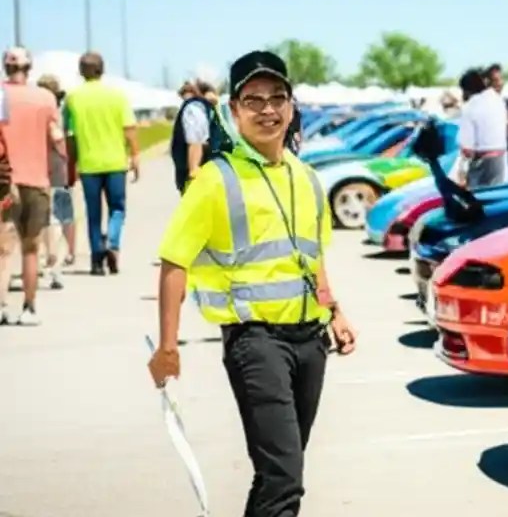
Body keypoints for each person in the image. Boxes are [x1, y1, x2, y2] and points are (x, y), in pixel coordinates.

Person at [147, 49, 357, 517]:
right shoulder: (215, 180)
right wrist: (167, 346)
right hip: (254, 340)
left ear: (292, 106)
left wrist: (335, 310)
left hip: (310, 340)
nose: (267, 109)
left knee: (280, 471)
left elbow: (311, 257)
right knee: (285, 478)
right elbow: (173, 262)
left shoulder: (306, 178)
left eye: (277, 98)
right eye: (254, 99)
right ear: (233, 110)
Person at [0, 48, 63, 325]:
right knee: (31, 248)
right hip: (37, 180)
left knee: (3, 249)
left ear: (5, 67)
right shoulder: (45, 98)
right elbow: (57, 138)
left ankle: (1, 306)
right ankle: (29, 307)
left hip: (5, 181)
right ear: (30, 67)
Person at [64, 52, 139, 275]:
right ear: (102, 69)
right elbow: (129, 129)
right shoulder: (117, 96)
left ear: (81, 71)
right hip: (115, 162)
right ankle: (113, 243)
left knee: (93, 212)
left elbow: (70, 135)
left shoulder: (73, 97)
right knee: (117, 208)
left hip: (89, 164)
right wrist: (135, 156)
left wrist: (72, 163)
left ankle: (97, 258)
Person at [36, 74, 74, 285]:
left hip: (35, 169)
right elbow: (59, 138)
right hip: (57, 170)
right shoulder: (55, 112)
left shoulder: (32, 110)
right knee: (58, 218)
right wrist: (65, 157)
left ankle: (44, 260)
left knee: (42, 219)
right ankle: (55, 262)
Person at [456, 68, 508, 188]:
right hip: (501, 159)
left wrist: (462, 173)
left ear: (467, 90)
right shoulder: (498, 99)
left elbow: (467, 148)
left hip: (482, 163)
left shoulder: (470, 106)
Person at [171, 79, 217, 194]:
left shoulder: (193, 107)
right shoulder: (208, 108)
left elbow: (195, 139)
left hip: (195, 172)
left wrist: (194, 168)